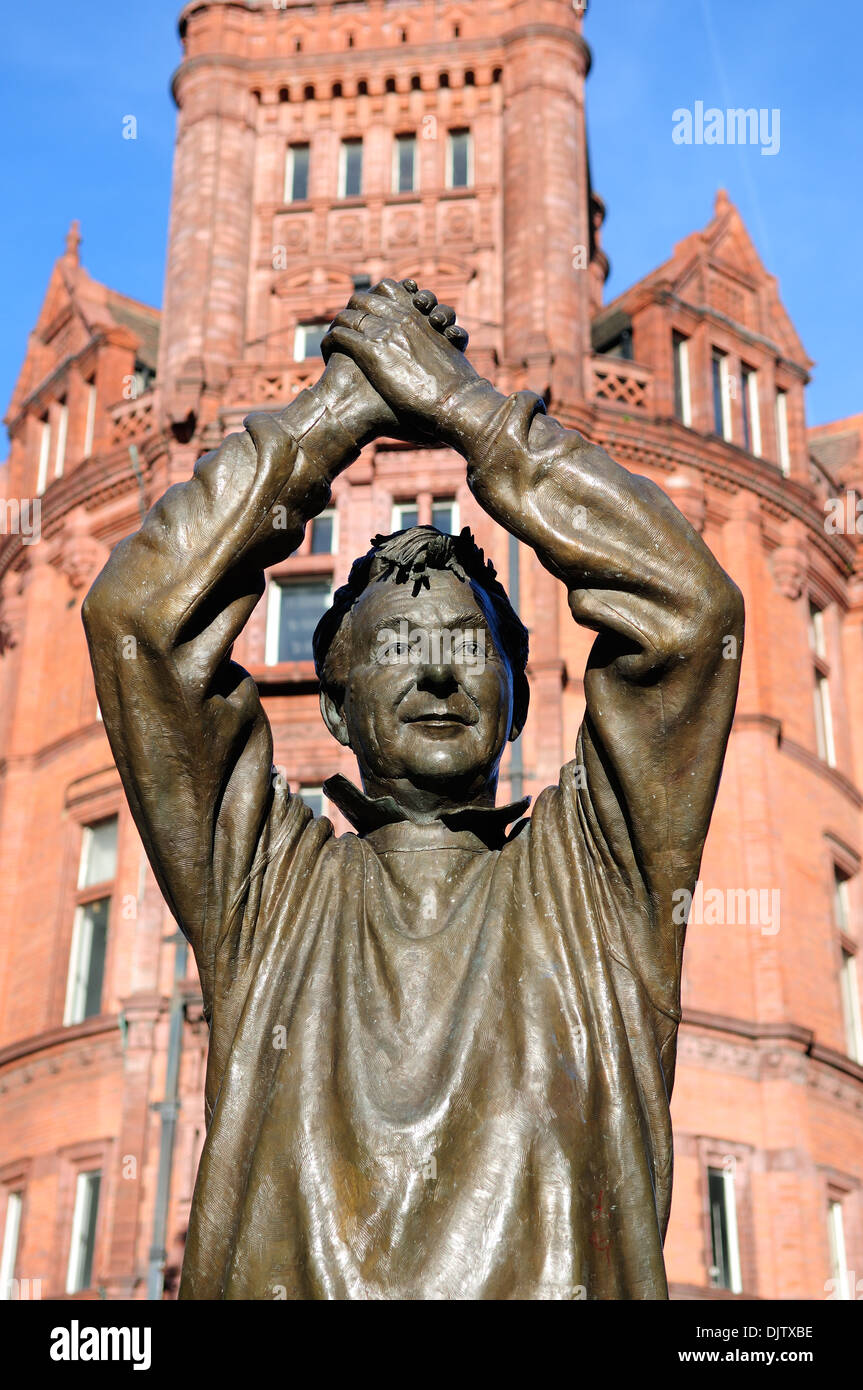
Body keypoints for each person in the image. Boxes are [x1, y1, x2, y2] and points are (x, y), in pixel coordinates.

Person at [83, 278, 744, 1299]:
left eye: (465, 644)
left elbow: (690, 619)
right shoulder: (265, 898)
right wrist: (336, 413)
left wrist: (461, 408)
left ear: (517, 701)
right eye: (399, 642)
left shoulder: (596, 888)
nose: (436, 669)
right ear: (336, 710)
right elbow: (139, 624)